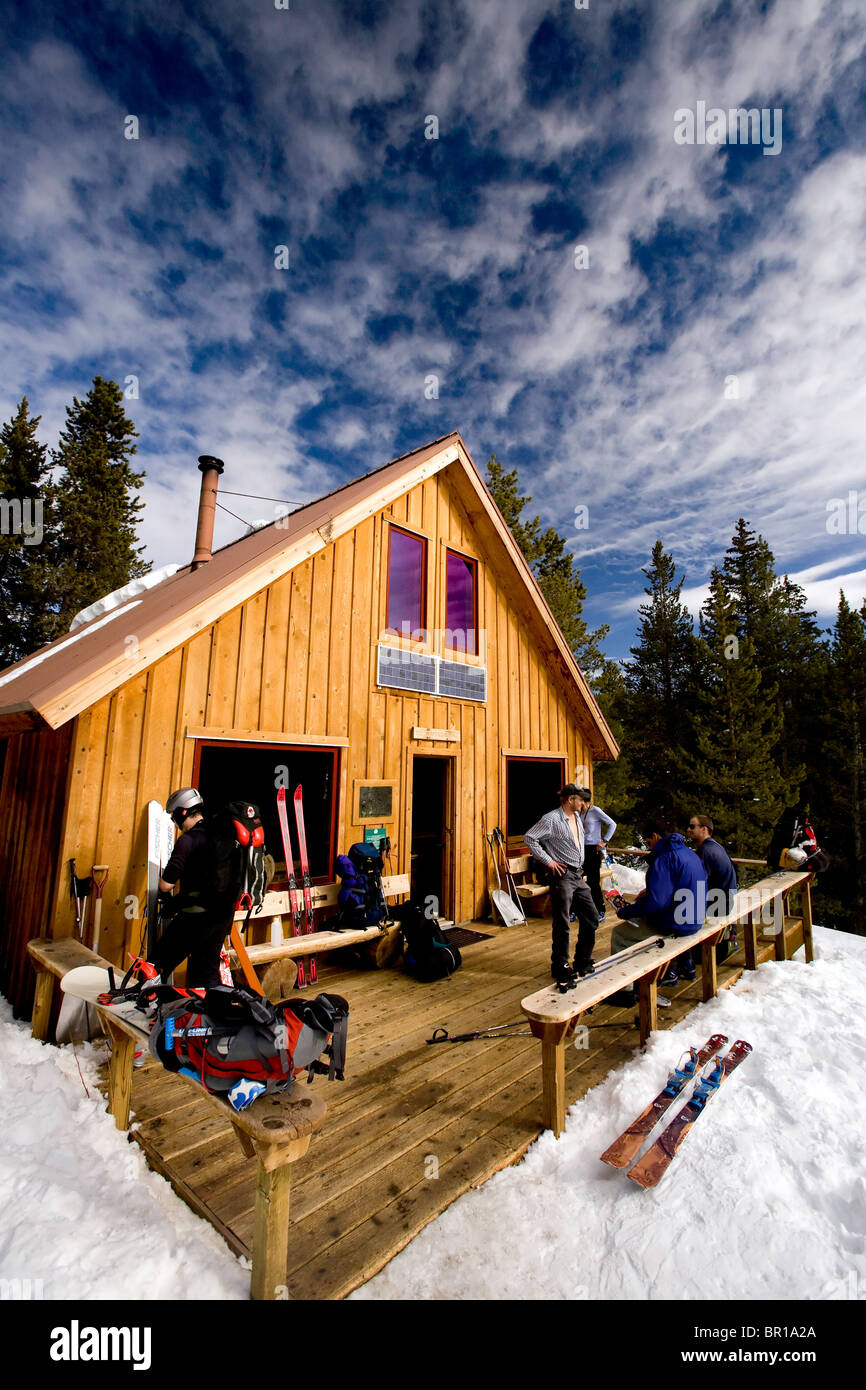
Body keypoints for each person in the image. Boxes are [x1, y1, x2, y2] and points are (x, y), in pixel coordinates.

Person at [608, 814, 708, 1003]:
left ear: (655, 836)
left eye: (647, 843)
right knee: (639, 925)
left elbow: (657, 903)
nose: (648, 847)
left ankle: (624, 993)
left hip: (677, 923)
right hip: (695, 917)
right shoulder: (689, 853)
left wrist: (625, 911)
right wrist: (650, 891)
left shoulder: (663, 858)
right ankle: (646, 978)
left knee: (621, 934)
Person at [150, 787, 235, 988]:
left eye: (174, 817)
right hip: (223, 916)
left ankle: (146, 1012)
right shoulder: (222, 836)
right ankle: (207, 1017)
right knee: (205, 975)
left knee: (156, 965)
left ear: (183, 812)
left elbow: (166, 884)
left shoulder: (188, 840)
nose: (174, 822)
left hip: (195, 916)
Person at [525, 784, 599, 985]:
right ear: (569, 799)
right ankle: (560, 965)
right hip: (563, 876)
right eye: (581, 799)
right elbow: (530, 838)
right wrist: (548, 861)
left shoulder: (576, 817)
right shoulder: (551, 819)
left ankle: (582, 960)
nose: (584, 803)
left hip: (578, 875)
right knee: (563, 922)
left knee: (591, 917)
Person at [687, 814, 738, 962]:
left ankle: (682, 962)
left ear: (704, 829)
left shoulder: (706, 852)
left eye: (692, 826)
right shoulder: (715, 846)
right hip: (725, 901)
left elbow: (698, 883)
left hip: (718, 905)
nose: (688, 830)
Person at [578, 790, 617, 922]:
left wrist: (604, 841)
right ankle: (579, 910)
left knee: (593, 882)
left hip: (593, 848)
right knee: (577, 879)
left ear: (585, 800)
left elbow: (613, 824)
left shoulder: (595, 811)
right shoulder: (579, 812)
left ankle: (601, 911)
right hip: (581, 849)